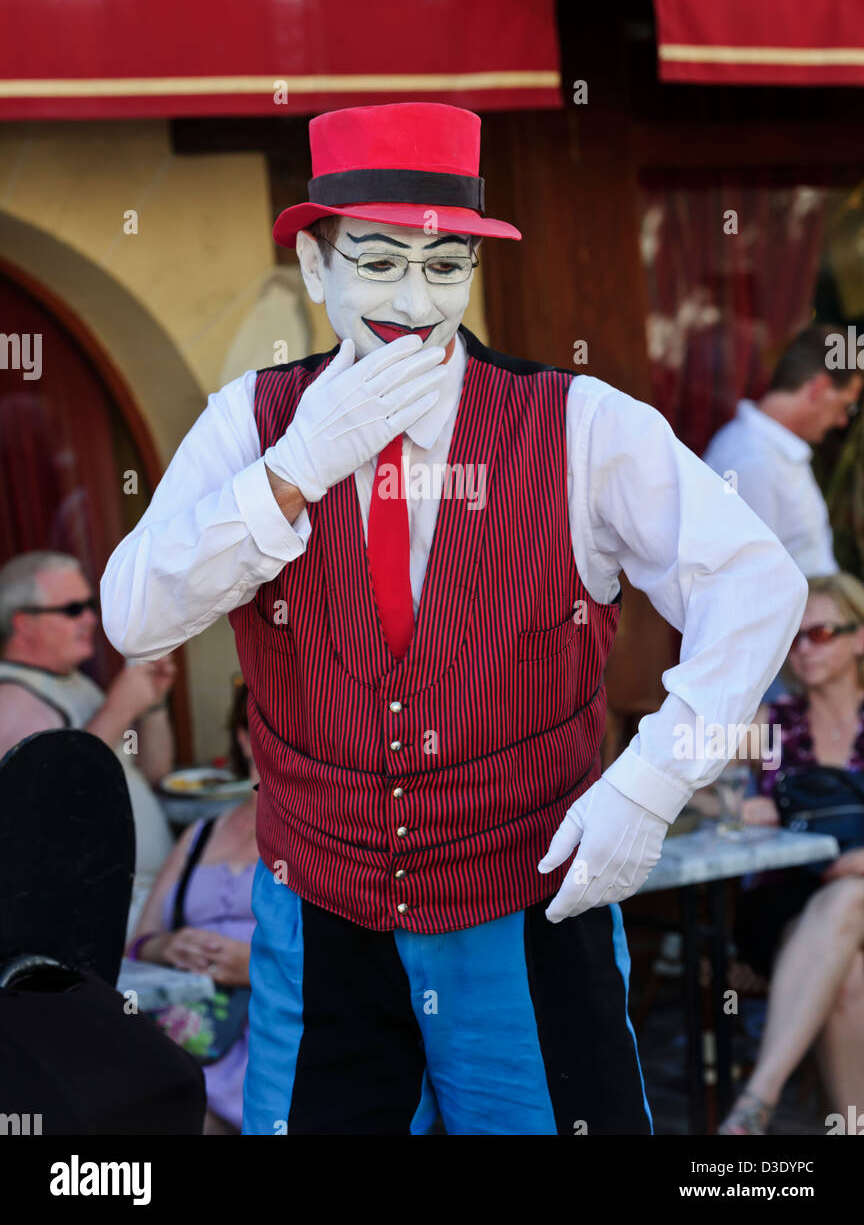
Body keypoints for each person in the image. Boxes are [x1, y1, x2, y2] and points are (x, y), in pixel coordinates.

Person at [100, 101, 807, 1136]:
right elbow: (134, 615)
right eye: (379, 261)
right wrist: (295, 470)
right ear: (316, 267)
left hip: (527, 907)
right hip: (317, 914)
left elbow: (758, 582)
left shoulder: (579, 421)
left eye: (445, 267)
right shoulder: (248, 422)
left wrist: (653, 784)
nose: (413, 299)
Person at [707, 574, 864, 1134]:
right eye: (795, 637)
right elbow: (682, 786)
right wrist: (735, 807)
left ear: (859, 638)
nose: (804, 649)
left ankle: (756, 1102)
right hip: (784, 902)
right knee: (850, 945)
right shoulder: (770, 726)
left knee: (851, 934)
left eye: (820, 633)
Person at [127, 679, 257, 1135]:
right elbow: (136, 948)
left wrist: (257, 966)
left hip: (282, 1036)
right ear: (243, 737)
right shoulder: (201, 834)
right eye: (263, 728)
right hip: (197, 1035)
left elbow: (359, 966)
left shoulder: (325, 835)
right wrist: (167, 946)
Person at [0, 550, 175, 881]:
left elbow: (155, 774)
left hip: (146, 896)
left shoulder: (75, 681)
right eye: (72, 609)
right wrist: (118, 710)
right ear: (24, 623)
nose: (91, 619)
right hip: (102, 910)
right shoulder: (11, 698)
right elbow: (49, 800)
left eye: (89, 606)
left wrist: (152, 704)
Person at [703, 324, 862, 577]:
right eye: (847, 406)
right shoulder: (752, 459)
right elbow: (746, 581)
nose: (843, 421)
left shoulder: (772, 452)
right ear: (818, 388)